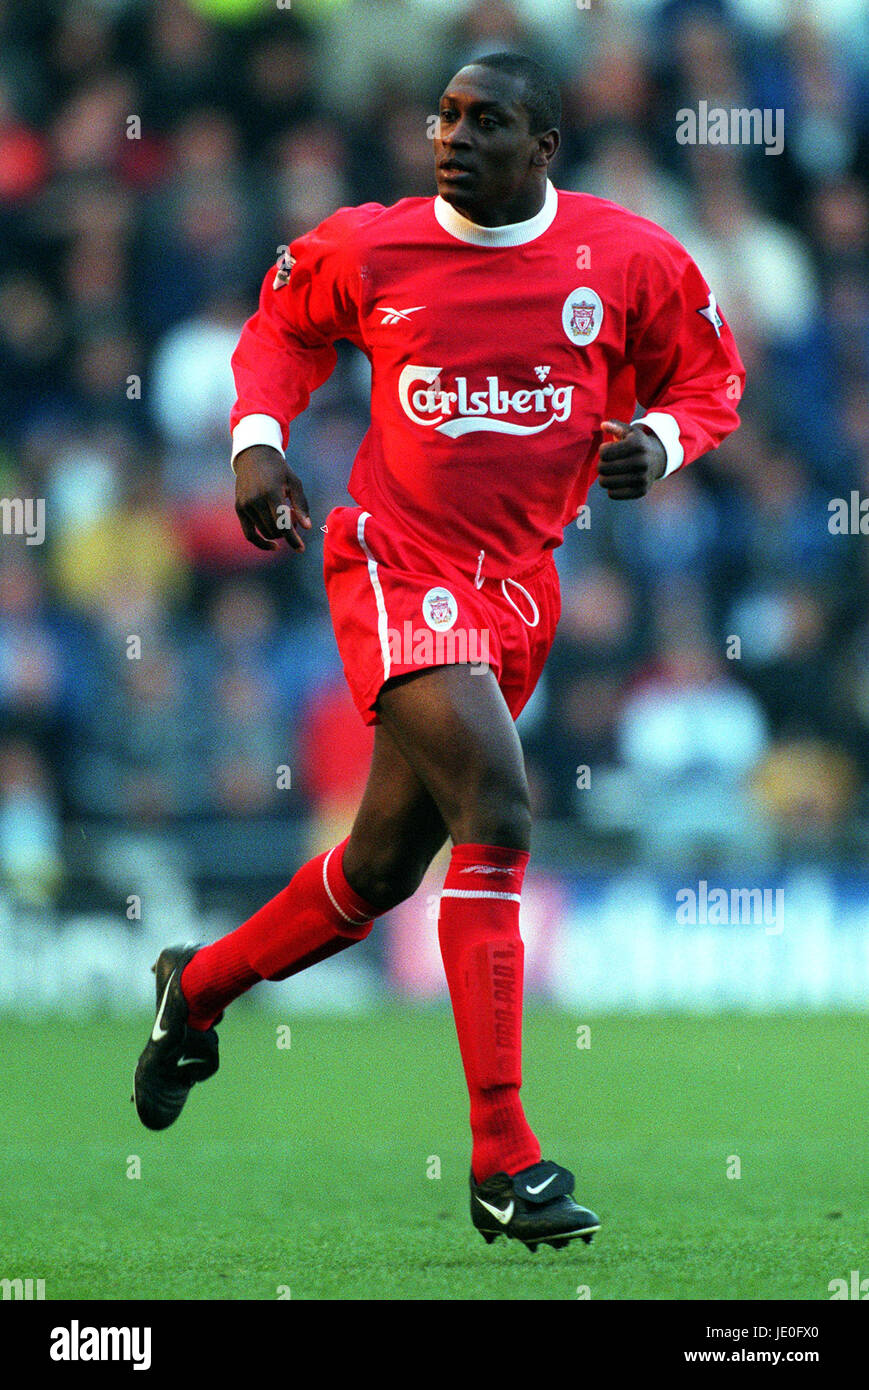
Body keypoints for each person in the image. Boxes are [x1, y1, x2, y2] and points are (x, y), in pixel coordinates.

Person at [133, 52, 745, 1253]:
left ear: (545, 145)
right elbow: (278, 330)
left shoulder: (626, 259)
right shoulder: (374, 247)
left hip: (519, 590)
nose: (453, 138)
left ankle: (193, 989)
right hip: (392, 560)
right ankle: (501, 1156)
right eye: (446, 117)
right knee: (499, 811)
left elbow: (710, 378)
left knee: (374, 874)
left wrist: (661, 444)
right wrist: (258, 442)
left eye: (488, 122)